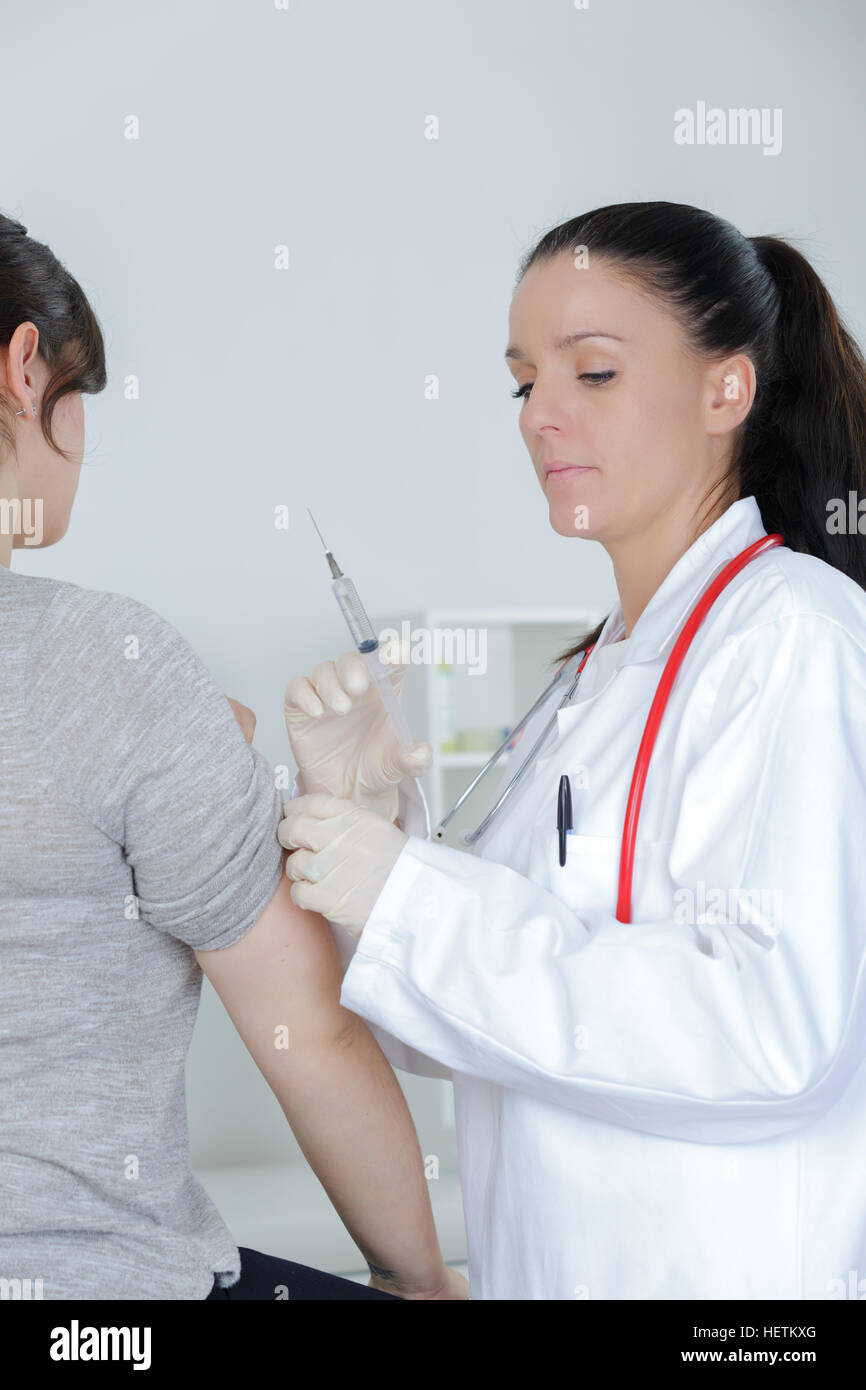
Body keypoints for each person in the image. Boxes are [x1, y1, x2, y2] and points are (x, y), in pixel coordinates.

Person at [280, 201, 866, 1301]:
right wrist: (375, 835)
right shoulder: (586, 679)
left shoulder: (792, 638)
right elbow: (468, 1032)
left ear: (723, 390)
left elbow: (769, 1028)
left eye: (590, 373)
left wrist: (410, 897)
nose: (537, 415)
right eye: (521, 380)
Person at [0, 211, 467, 1301]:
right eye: (80, 403)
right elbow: (308, 1033)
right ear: (25, 370)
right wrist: (422, 1280)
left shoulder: (115, 680)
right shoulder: (109, 664)